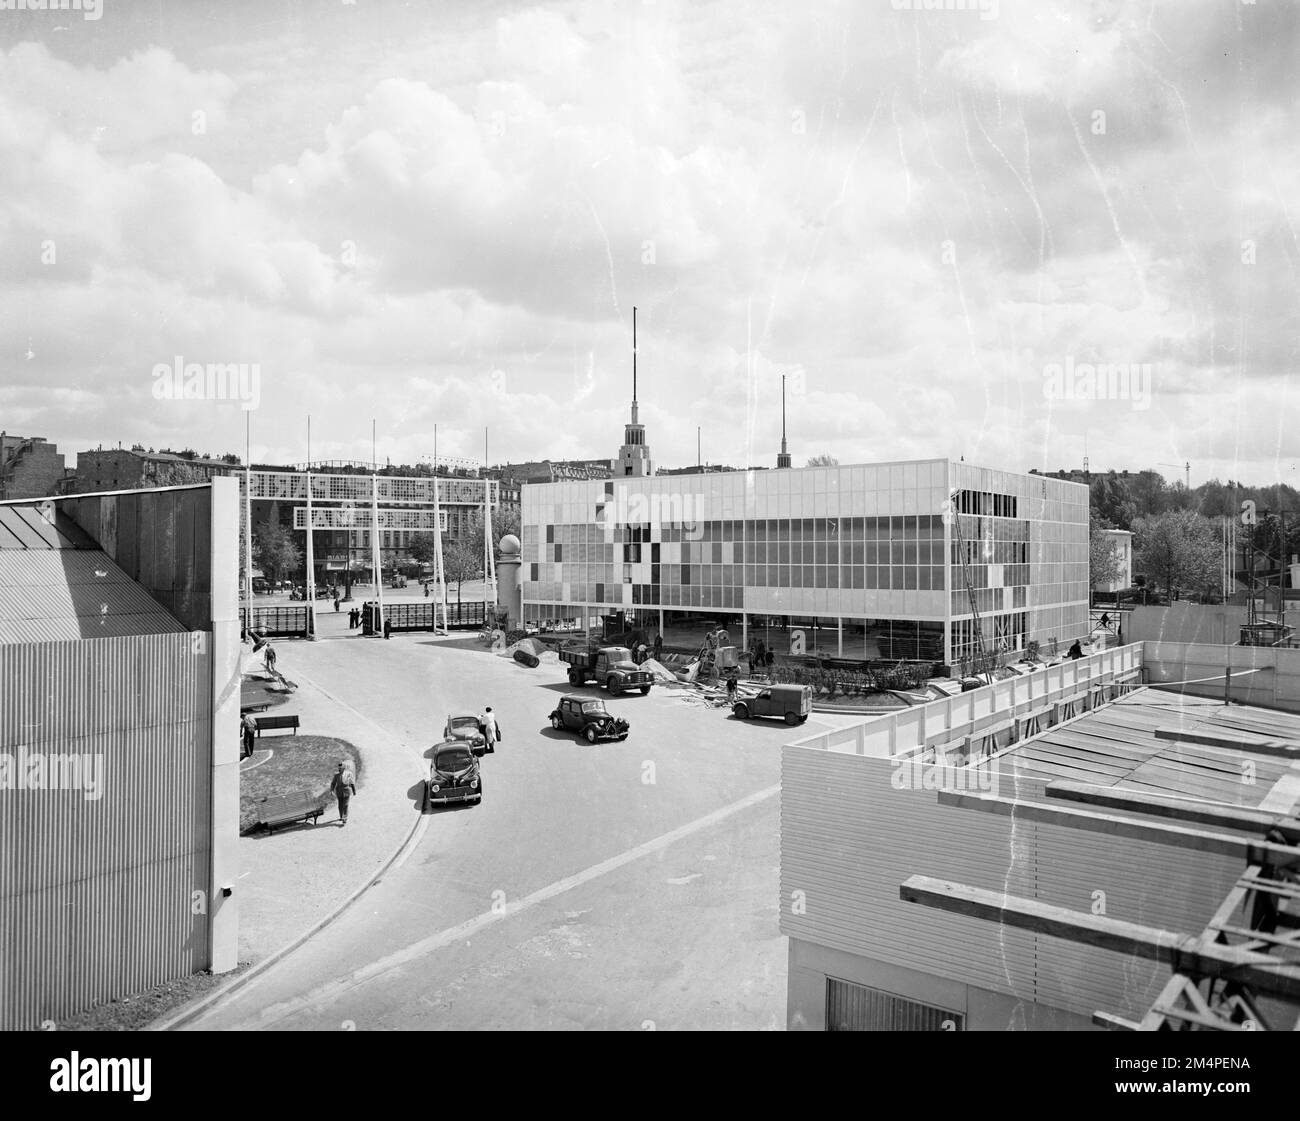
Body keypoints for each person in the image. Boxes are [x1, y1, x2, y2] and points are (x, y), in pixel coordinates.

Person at [330, 761, 357, 825]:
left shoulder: (348, 774)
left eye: (341, 768)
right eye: (339, 768)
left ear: (344, 768)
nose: (339, 769)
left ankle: (345, 818)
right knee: (340, 805)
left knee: (345, 805)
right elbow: (333, 783)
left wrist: (354, 791)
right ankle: (341, 816)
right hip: (339, 792)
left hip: (346, 791)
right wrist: (332, 790)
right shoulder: (336, 775)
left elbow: (352, 782)